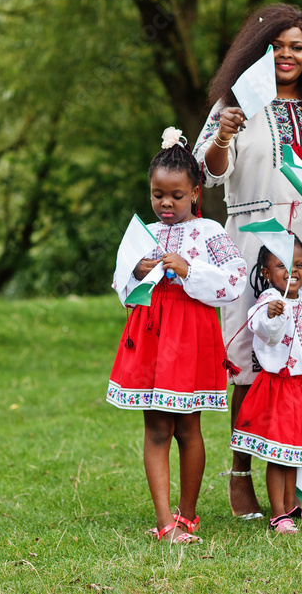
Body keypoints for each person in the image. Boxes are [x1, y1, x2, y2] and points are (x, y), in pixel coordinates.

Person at [194, 3, 302, 519]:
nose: (287, 55)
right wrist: (224, 133)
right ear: (258, 51)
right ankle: (241, 474)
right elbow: (209, 170)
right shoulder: (236, 100)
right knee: (250, 367)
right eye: (277, 46)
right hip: (255, 243)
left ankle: (294, 482)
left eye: (298, 47)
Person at [107, 128, 248, 544]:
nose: (166, 204)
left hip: (192, 335)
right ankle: (164, 521)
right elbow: (122, 286)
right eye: (157, 195)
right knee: (156, 427)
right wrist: (135, 271)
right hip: (151, 334)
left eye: (176, 196)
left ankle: (188, 516)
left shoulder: (210, 232)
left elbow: (236, 279)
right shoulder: (142, 235)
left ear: (195, 192)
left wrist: (190, 271)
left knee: (189, 426)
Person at [230, 236, 302, 534]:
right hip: (279, 388)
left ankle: (292, 506)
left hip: (301, 387)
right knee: (279, 454)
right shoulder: (269, 302)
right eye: (283, 265)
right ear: (266, 273)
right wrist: (272, 315)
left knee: (294, 452)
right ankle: (277, 513)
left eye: (299, 264)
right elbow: (264, 330)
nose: (292, 271)